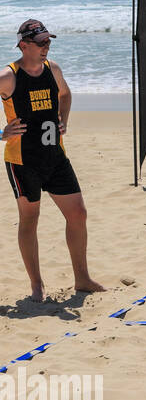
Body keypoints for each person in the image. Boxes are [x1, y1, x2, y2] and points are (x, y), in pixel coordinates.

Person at [2, 19, 104, 301]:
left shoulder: (53, 70)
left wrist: (64, 121)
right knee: (30, 219)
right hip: (23, 162)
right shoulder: (8, 77)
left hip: (56, 157)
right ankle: (36, 284)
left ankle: (82, 278)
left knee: (78, 214)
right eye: (41, 42)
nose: (47, 47)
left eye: (49, 41)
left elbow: (66, 94)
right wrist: (2, 132)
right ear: (24, 46)